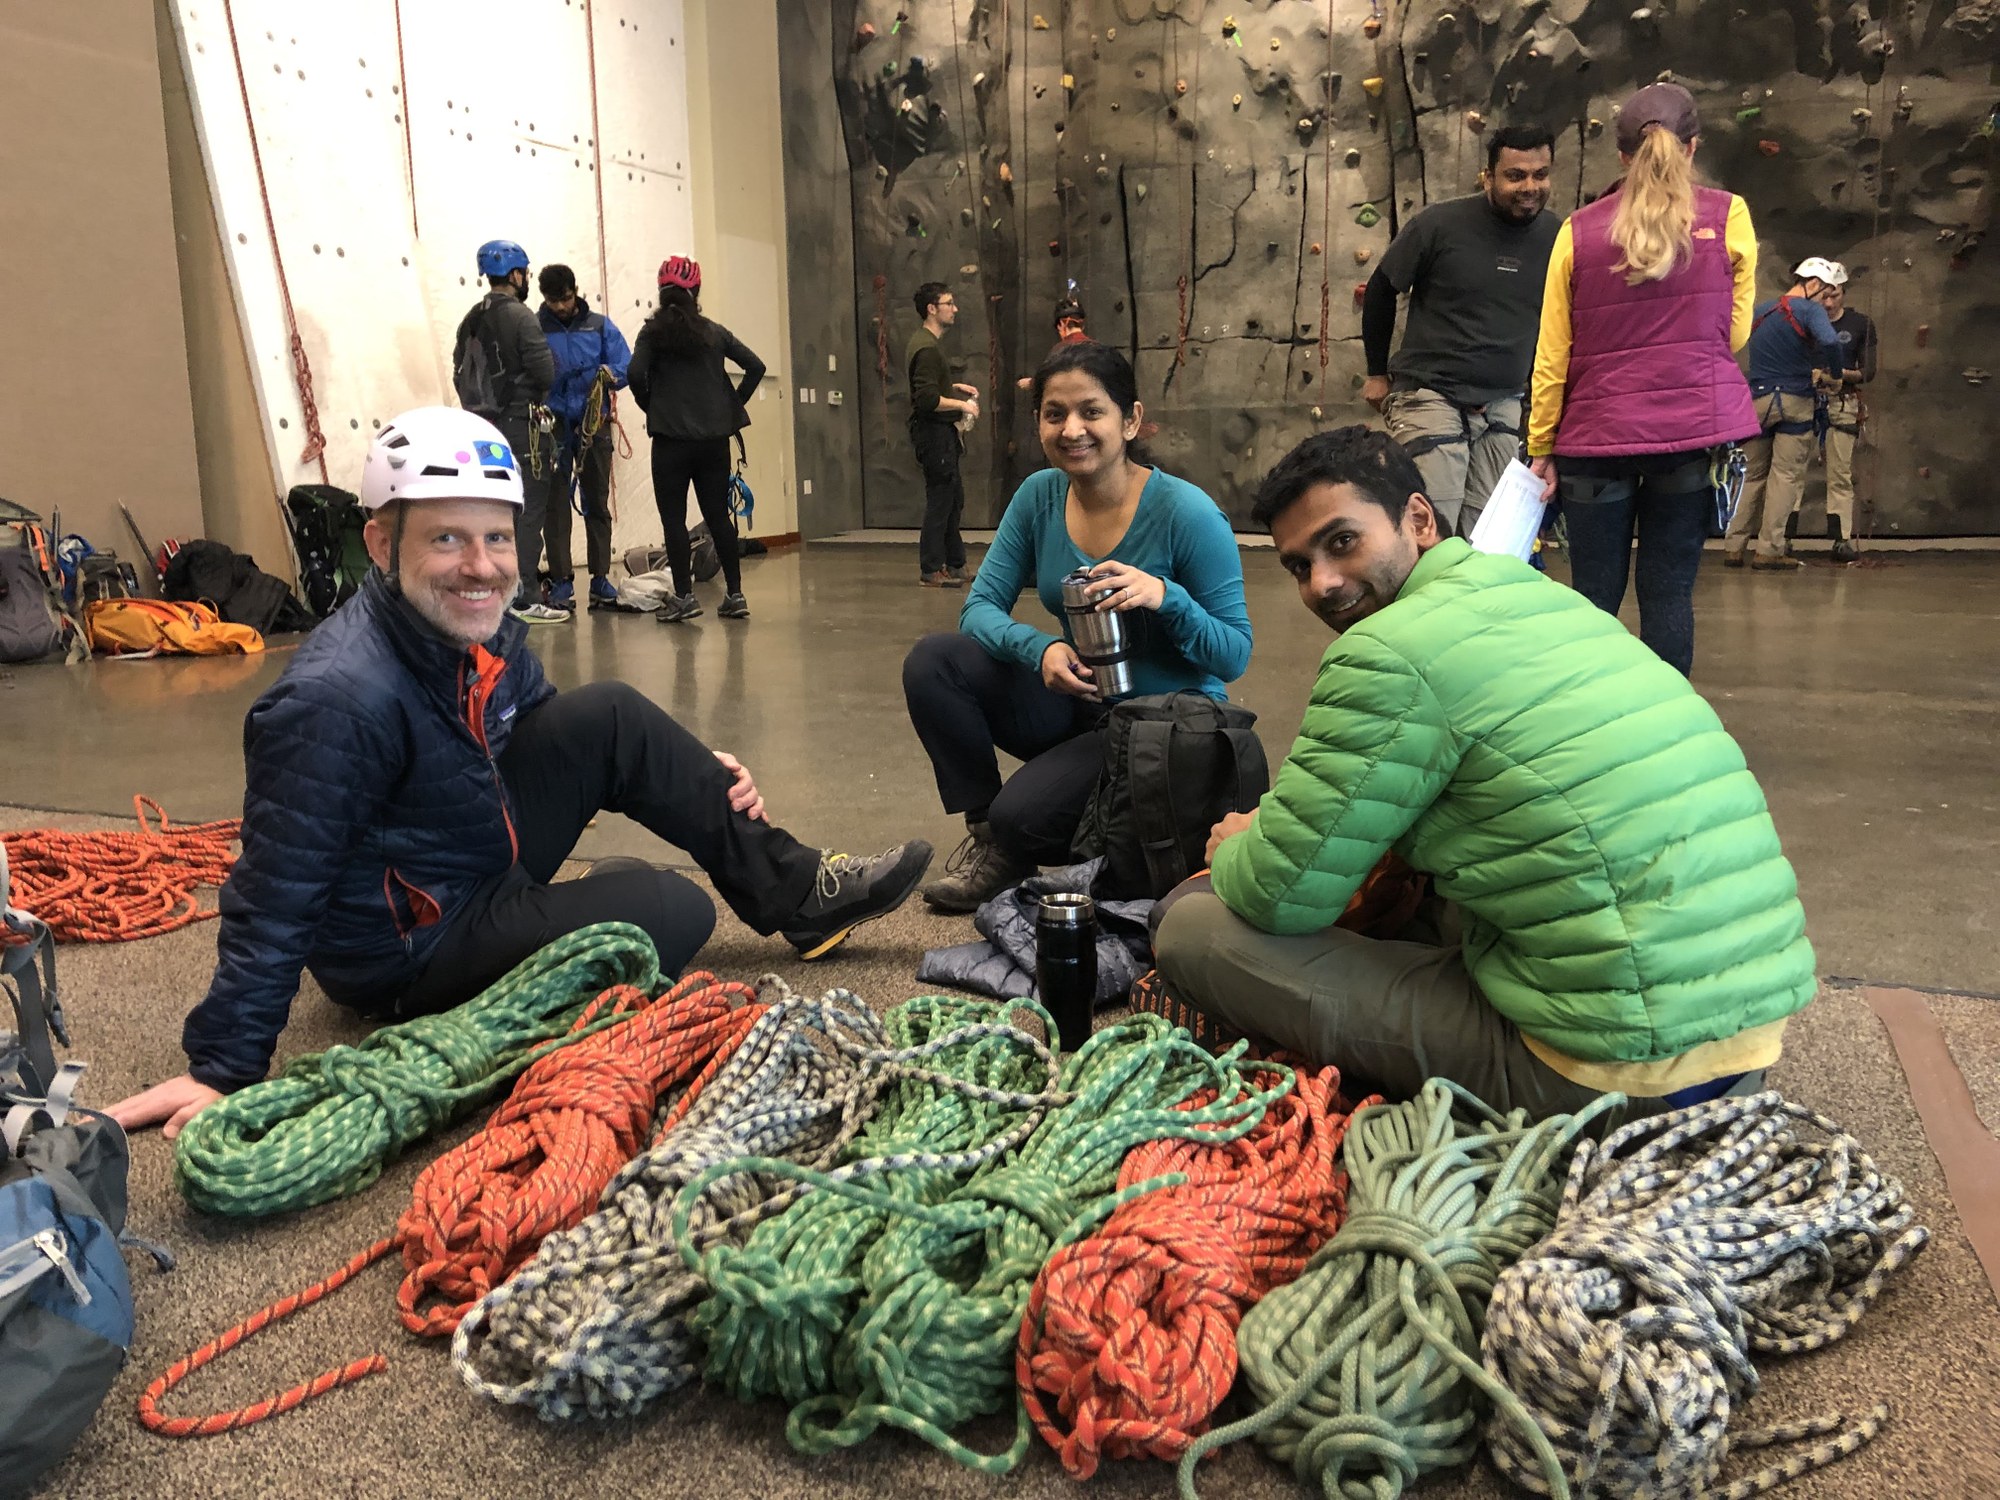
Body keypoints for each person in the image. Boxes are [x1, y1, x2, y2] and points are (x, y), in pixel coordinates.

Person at [105, 408, 932, 1140]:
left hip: (466, 854)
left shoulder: (478, 629)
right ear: (382, 544)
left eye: (496, 537)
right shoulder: (337, 699)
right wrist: (224, 1065)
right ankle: (563, 927)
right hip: (410, 948)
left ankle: (799, 894)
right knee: (668, 911)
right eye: (447, 539)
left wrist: (690, 775)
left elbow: (543, 728)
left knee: (608, 710)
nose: (482, 566)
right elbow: (274, 888)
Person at [1147, 427, 1816, 1119]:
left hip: (1611, 1070)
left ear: (1418, 519)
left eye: (1342, 542)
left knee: (1192, 930)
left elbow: (1283, 896)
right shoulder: (1539, 597)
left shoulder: (1384, 651)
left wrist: (1233, 849)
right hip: (1747, 1033)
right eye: (1297, 565)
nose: (1323, 582)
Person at [903, 341, 1252, 913]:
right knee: (935, 661)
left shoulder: (1186, 513)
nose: (1072, 430)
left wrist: (1167, 598)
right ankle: (997, 846)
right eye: (1054, 413)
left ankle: (1043, 831)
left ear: (1130, 419)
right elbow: (980, 607)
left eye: (1092, 411)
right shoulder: (1039, 495)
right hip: (1083, 704)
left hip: (1162, 728)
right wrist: (1041, 649)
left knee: (1028, 817)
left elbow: (1233, 654)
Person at [1528, 84, 1760, 675]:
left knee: (1594, 600)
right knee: (1667, 595)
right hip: (1685, 439)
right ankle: (1666, 727)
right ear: (1693, 146)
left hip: (1594, 441)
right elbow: (1731, 336)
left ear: (1623, 156)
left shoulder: (1576, 231)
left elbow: (1553, 355)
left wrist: (1540, 447)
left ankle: (1589, 731)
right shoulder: (1727, 215)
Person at [1361, 124, 1559, 539]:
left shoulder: (1558, 237)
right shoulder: (1438, 225)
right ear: (1488, 177)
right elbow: (1381, 289)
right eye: (1515, 175)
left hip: (1505, 402)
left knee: (1487, 539)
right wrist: (1376, 373)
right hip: (1431, 394)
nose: (1530, 186)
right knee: (1433, 532)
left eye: (1540, 175)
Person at [627, 256, 765, 623]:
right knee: (719, 516)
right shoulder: (714, 332)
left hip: (670, 442)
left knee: (673, 520)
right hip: (712, 442)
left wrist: (651, 407)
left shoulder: (652, 334)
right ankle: (735, 594)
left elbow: (634, 373)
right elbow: (756, 367)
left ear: (661, 293)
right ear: (696, 292)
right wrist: (730, 406)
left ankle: (685, 597)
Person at [453, 239, 566, 624]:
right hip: (524, 429)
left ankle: (498, 593)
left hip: (484, 431)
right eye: (526, 274)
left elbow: (460, 371)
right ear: (517, 275)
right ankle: (525, 595)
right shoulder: (521, 316)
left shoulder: (470, 318)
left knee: (496, 513)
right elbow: (545, 373)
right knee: (529, 511)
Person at [1723, 258, 1847, 571]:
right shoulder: (1809, 310)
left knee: (1750, 476)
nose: (1825, 300)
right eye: (1824, 292)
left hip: (1756, 403)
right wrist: (1835, 373)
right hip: (1793, 401)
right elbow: (1831, 340)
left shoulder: (1760, 310)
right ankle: (1769, 550)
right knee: (1785, 476)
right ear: (1814, 283)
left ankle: (1733, 547)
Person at [536, 264, 631, 612]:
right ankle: (561, 582)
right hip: (553, 425)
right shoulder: (535, 327)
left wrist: (611, 374)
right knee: (556, 505)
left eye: (565, 298)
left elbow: (626, 363)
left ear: (576, 291)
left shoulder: (600, 326)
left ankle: (600, 579)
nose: (560, 307)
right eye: (552, 300)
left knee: (596, 502)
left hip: (594, 424)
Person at [907, 282, 981, 588]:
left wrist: (955, 388)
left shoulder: (930, 344)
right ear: (932, 309)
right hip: (933, 434)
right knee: (940, 501)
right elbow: (926, 399)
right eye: (948, 303)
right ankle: (931, 568)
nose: (955, 308)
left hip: (942, 435)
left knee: (953, 499)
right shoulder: (925, 348)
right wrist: (963, 405)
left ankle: (956, 563)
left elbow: (933, 388)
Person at [1822, 269, 1875, 563]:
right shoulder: (1807, 320)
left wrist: (1836, 375)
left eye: (1835, 295)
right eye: (1825, 296)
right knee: (1791, 474)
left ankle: (1840, 540)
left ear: (1843, 292)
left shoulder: (1859, 324)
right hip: (1806, 399)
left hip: (1842, 402)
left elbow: (1867, 372)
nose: (1829, 303)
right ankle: (1783, 537)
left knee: (1839, 474)